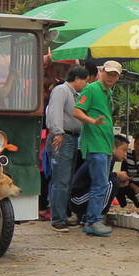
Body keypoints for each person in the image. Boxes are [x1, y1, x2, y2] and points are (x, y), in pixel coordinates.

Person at [74, 60, 122, 237]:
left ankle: (91, 220)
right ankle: (93, 220)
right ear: (101, 72)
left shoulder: (107, 92)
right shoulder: (92, 89)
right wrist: (93, 122)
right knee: (100, 184)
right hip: (96, 145)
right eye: (109, 73)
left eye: (115, 74)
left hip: (104, 144)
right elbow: (77, 110)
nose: (111, 77)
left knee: (100, 183)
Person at [46, 64, 90, 232]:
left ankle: (62, 215)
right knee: (61, 180)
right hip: (62, 137)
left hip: (72, 138)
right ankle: (57, 219)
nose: (86, 84)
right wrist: (58, 132)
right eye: (85, 80)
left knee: (66, 180)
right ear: (77, 79)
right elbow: (54, 112)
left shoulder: (74, 94)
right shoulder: (61, 90)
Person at [67, 134, 131, 224]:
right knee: (112, 182)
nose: (125, 154)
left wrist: (116, 177)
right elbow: (103, 179)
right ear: (113, 147)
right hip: (77, 199)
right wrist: (117, 175)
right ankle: (97, 217)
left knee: (113, 181)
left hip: (82, 196)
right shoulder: (105, 158)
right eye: (123, 150)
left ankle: (89, 216)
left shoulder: (109, 159)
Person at [120, 138, 139, 208]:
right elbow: (124, 171)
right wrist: (134, 187)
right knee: (118, 186)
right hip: (130, 183)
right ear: (134, 143)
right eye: (137, 144)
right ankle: (124, 206)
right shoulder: (128, 155)